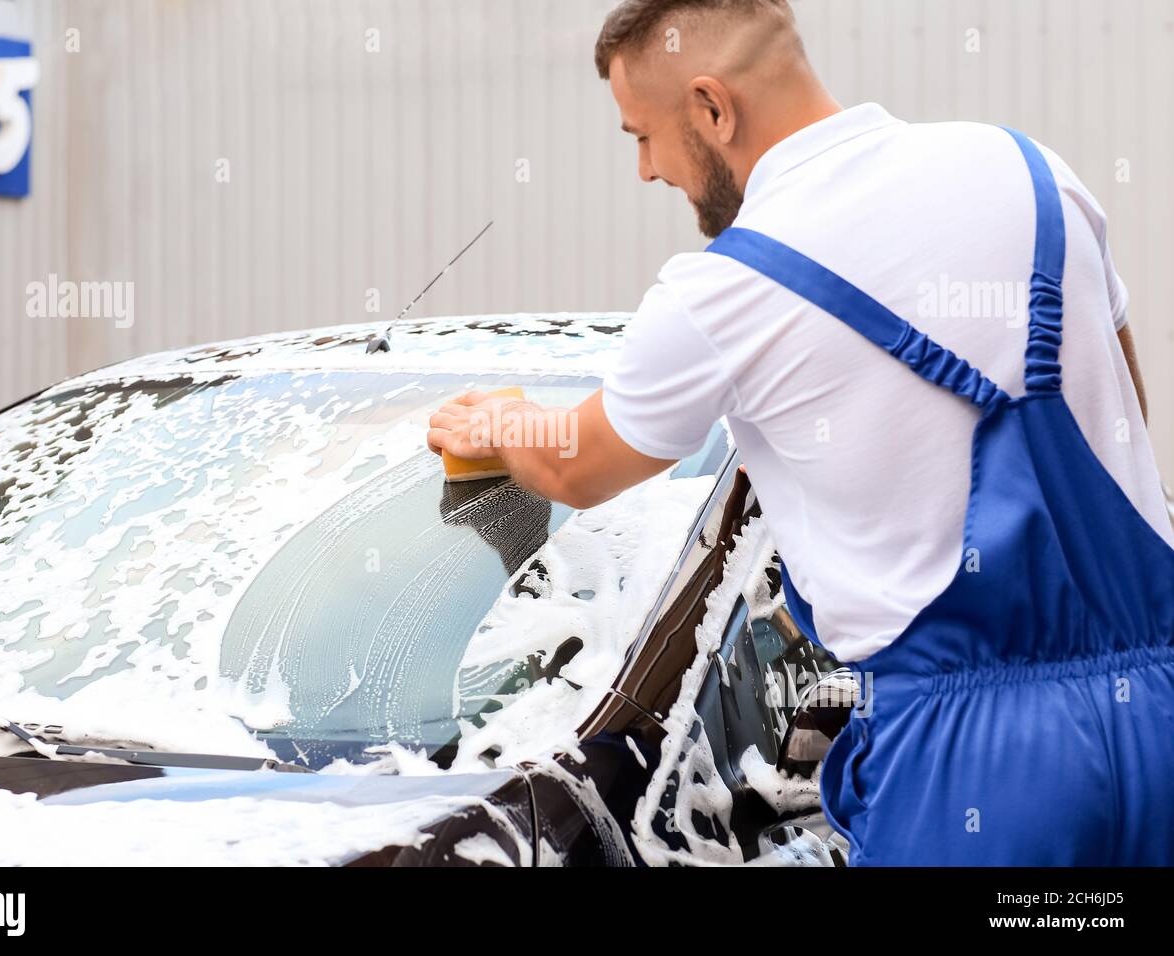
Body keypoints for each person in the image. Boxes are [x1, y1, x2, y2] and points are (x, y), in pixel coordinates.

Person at [426, 0, 1174, 865]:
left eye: (643, 135)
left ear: (712, 107)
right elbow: (1123, 407)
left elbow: (575, 467)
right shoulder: (1029, 168)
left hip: (971, 768)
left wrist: (499, 421)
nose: (643, 168)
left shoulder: (724, 290)